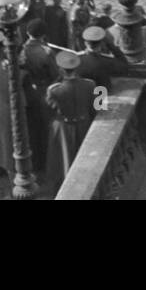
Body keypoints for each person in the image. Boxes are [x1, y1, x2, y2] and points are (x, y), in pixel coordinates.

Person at [45, 50, 97, 190]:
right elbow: (98, 107)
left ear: (61, 70)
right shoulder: (90, 84)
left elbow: (49, 110)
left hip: (63, 128)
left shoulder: (53, 90)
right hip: (84, 124)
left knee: (63, 160)